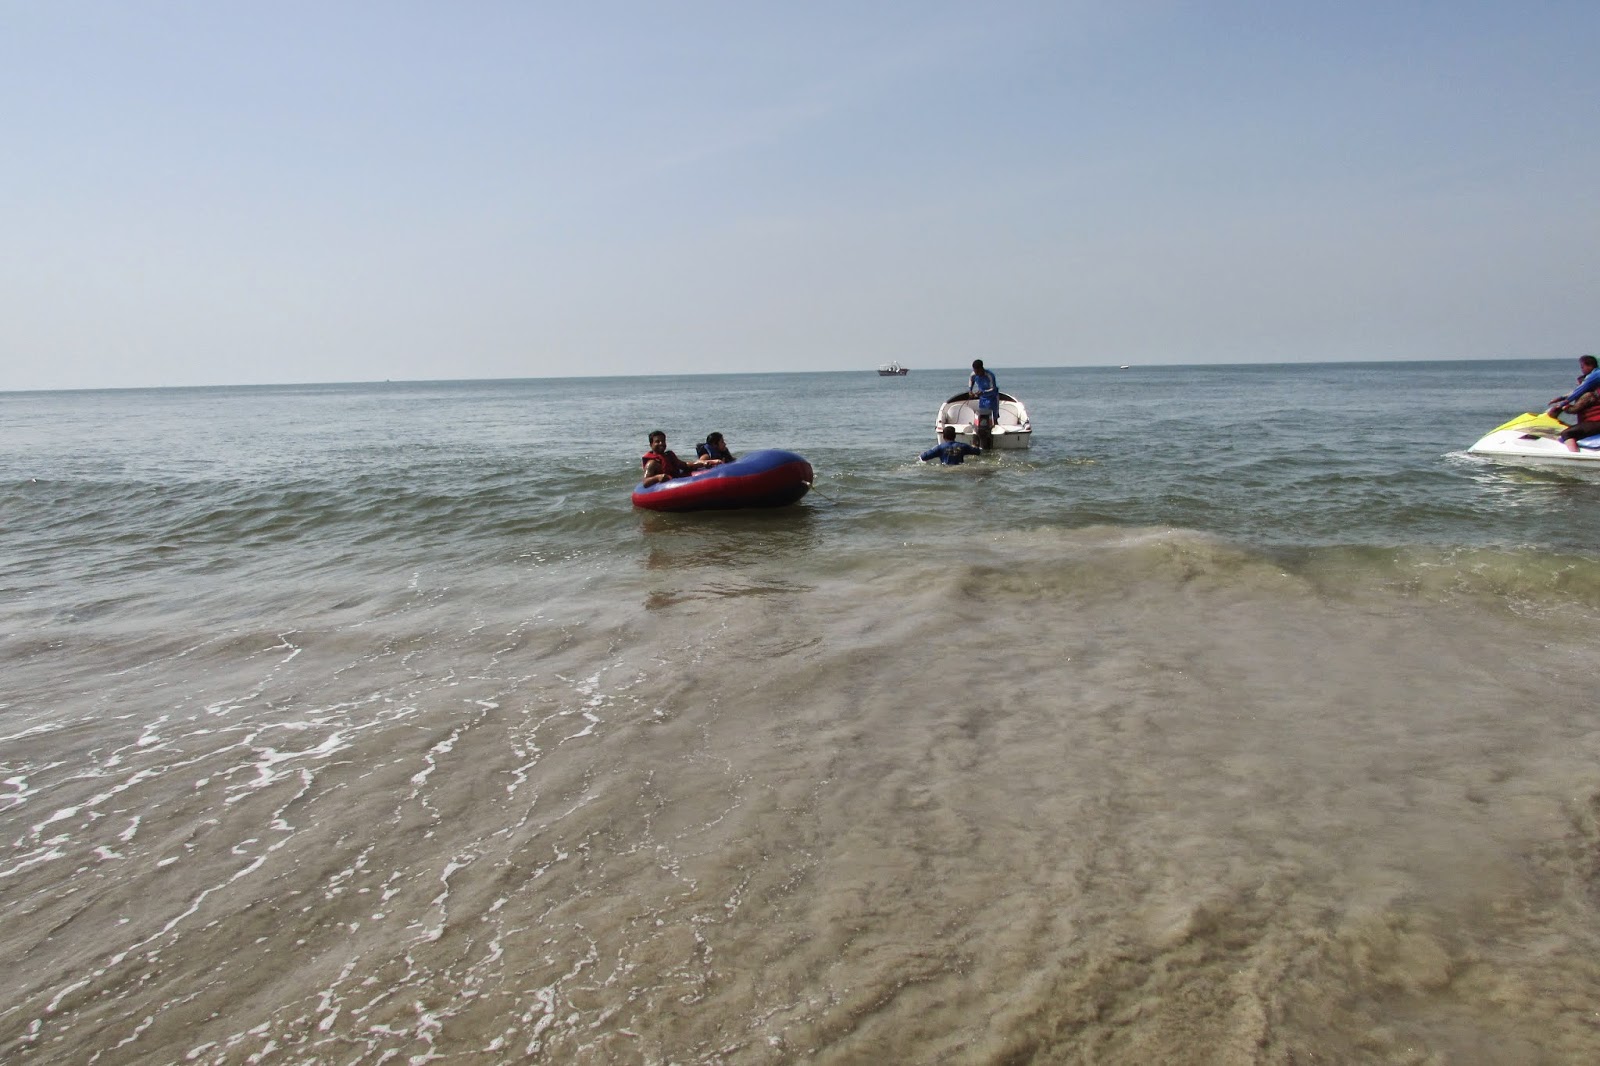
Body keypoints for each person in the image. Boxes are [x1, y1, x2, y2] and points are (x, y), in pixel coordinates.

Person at [640, 430, 712, 486]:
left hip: (677, 482)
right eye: (657, 441)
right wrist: (657, 478)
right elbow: (645, 482)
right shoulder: (652, 463)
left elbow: (684, 465)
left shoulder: (669, 456)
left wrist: (702, 464)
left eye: (663, 441)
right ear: (651, 444)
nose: (661, 443)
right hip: (665, 488)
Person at [968, 359, 1000, 448]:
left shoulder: (990, 375)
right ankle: (981, 433)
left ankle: (995, 433)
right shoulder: (973, 374)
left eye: (977, 371)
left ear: (981, 368)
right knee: (982, 416)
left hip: (992, 397)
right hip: (982, 398)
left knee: (993, 416)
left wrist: (983, 392)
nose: (976, 373)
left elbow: (993, 388)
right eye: (975, 371)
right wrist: (970, 390)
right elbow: (971, 380)